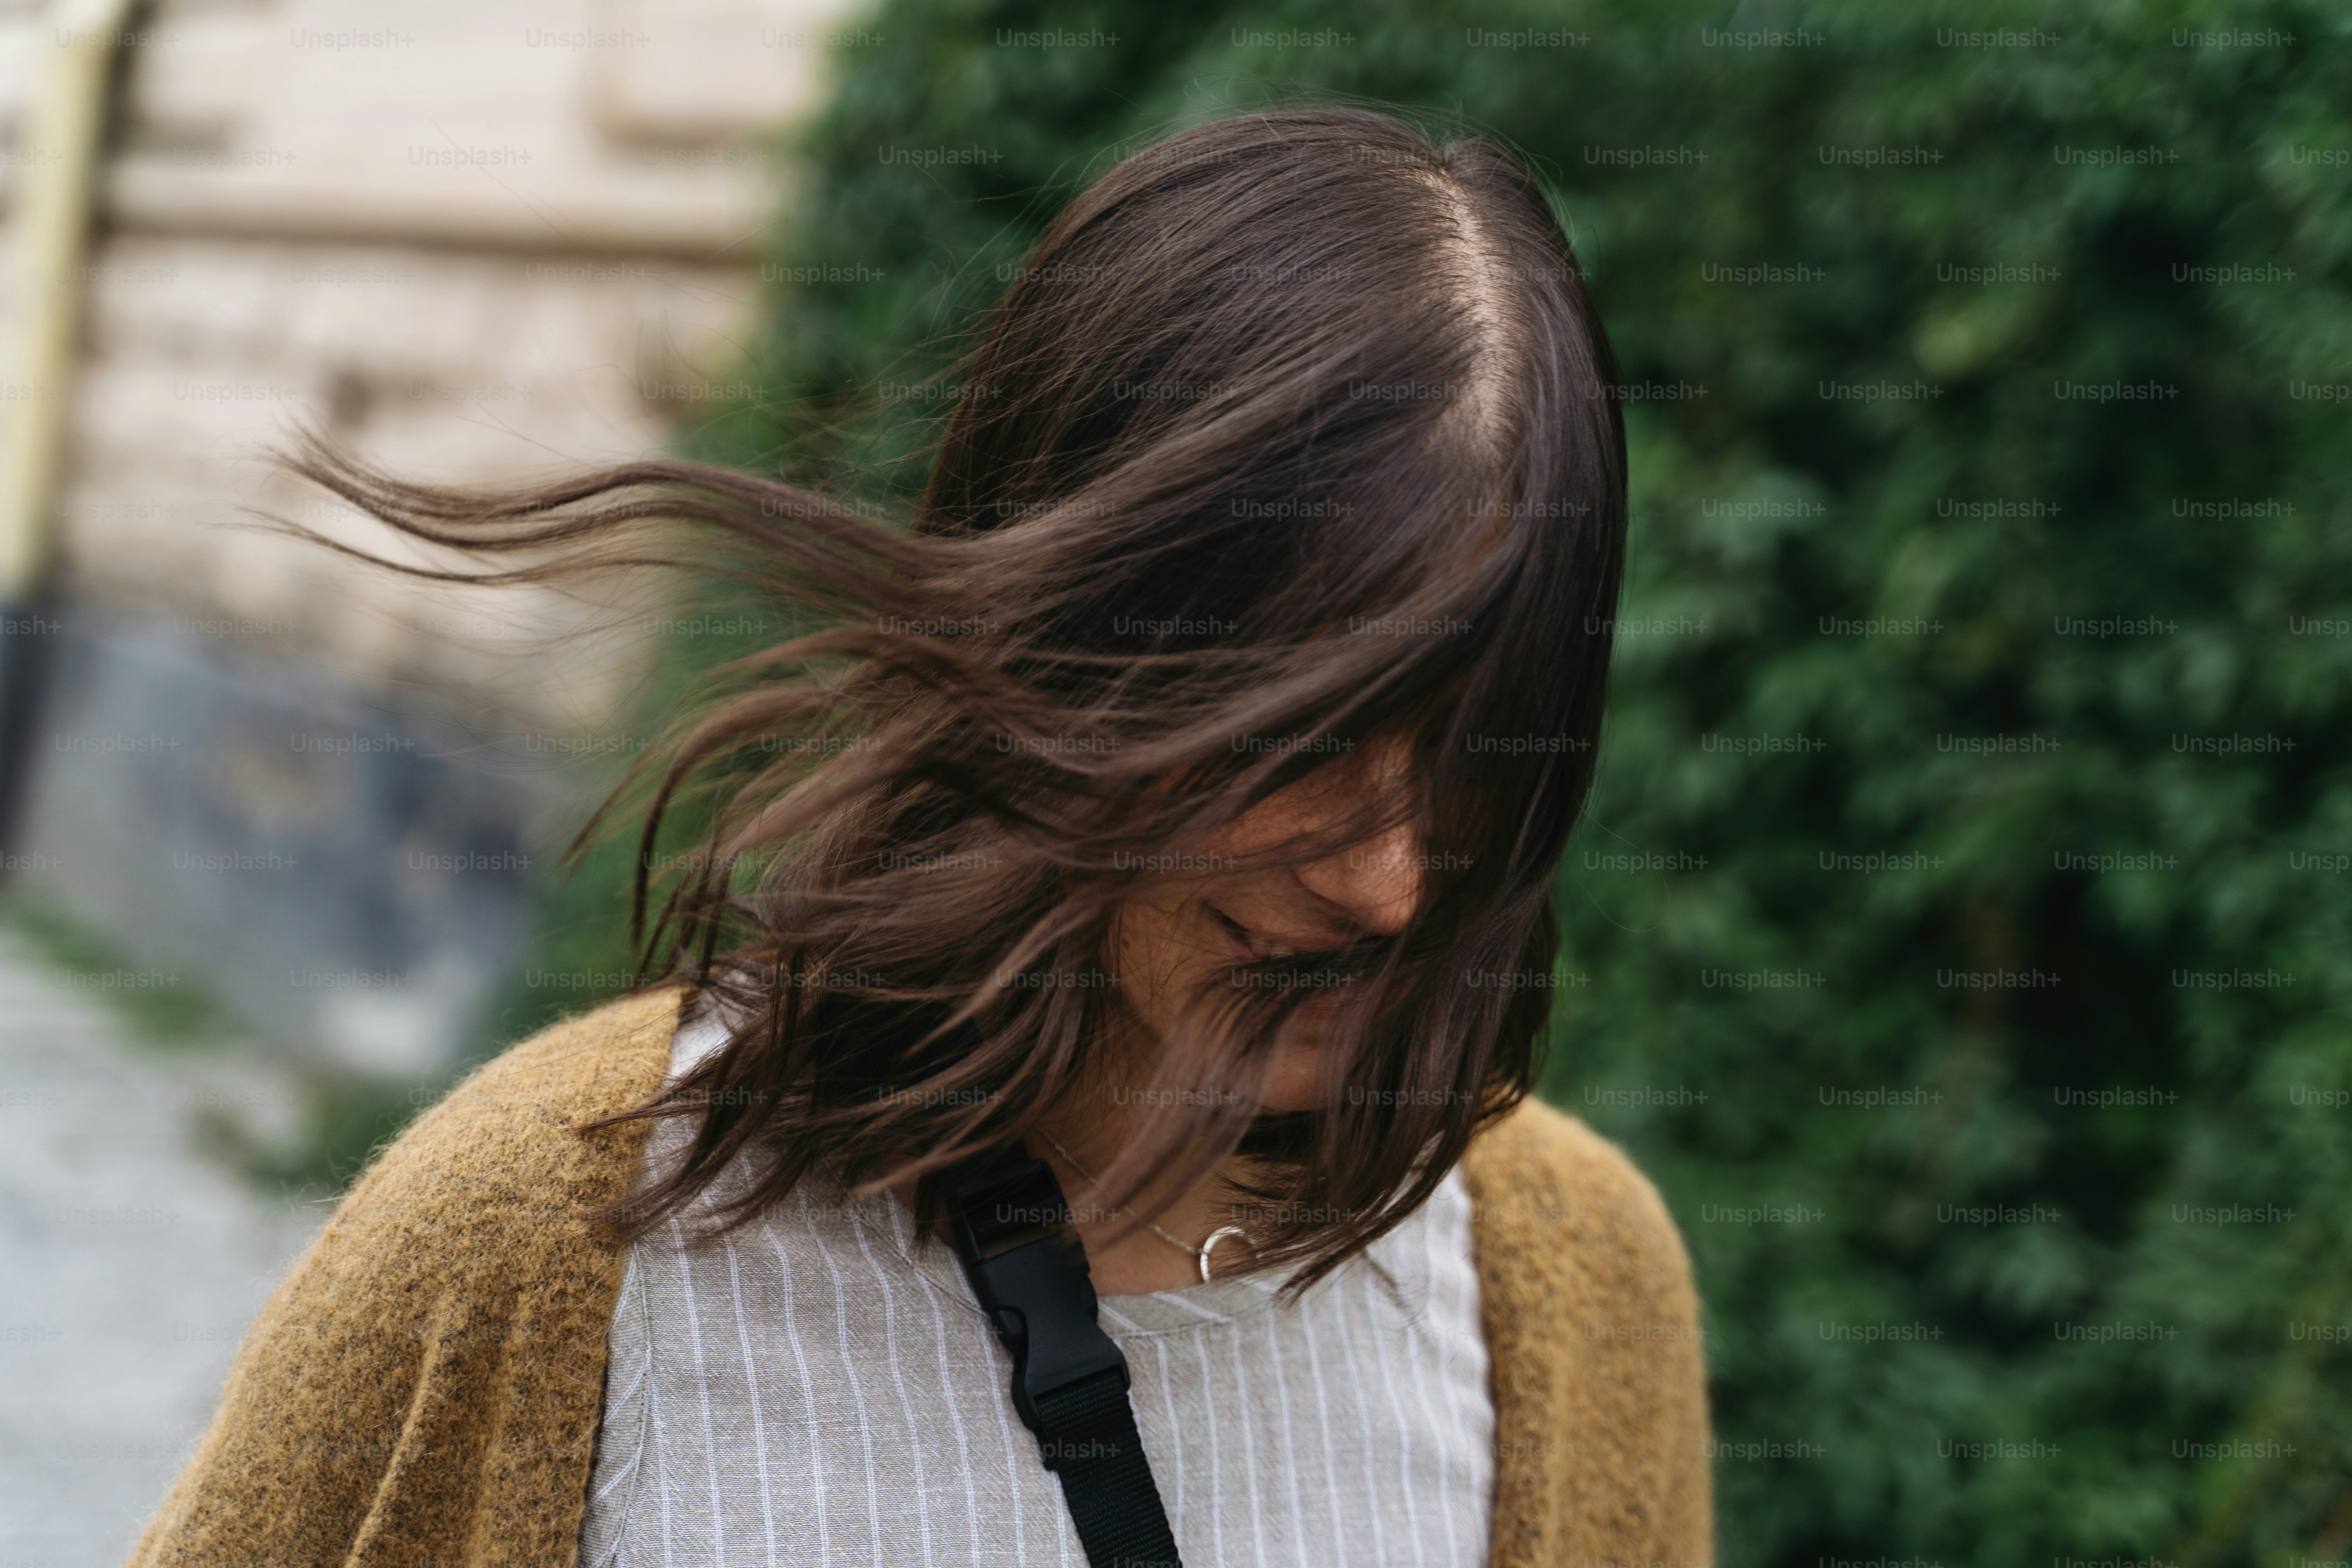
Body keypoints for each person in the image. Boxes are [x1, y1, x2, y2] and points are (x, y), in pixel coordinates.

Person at [127, 103, 1711, 1568]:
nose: (1391, 878)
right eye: (1302, 734)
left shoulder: (1570, 1286)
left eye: (1480, 754)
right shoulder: (545, 1237)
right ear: (1071, 650)